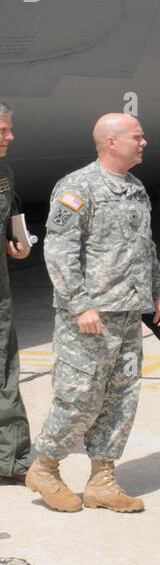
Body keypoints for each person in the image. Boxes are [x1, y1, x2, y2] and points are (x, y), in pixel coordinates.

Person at [26, 114, 160, 514]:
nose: (144, 143)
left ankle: (102, 480)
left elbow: (146, 246)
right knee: (78, 397)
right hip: (90, 317)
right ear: (111, 141)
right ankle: (46, 467)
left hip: (128, 313)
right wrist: (80, 304)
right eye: (137, 137)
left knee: (120, 399)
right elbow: (59, 251)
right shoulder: (77, 187)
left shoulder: (137, 188)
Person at [0, 101, 32, 484]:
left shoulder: (3, 172)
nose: (10, 136)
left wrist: (20, 242)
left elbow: (14, 216)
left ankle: (11, 460)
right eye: (2, 130)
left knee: (4, 368)